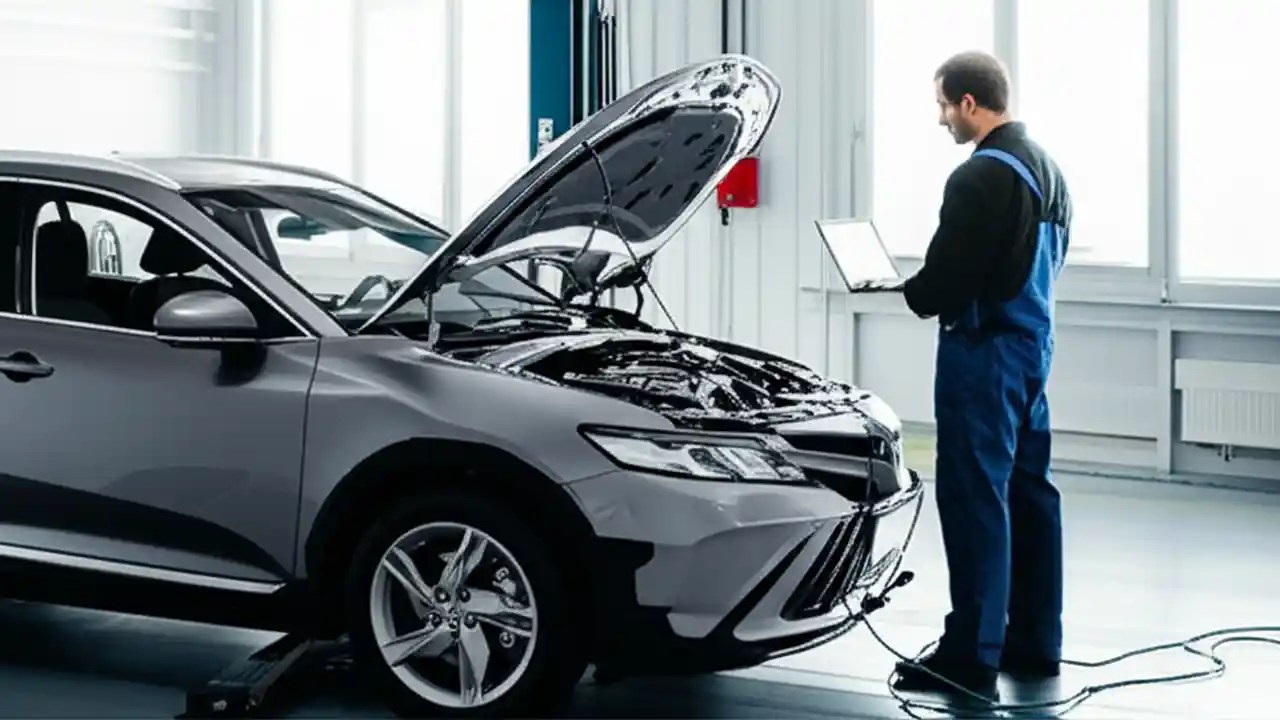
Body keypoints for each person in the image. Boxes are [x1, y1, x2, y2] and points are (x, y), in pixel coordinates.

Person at [891, 50, 1071, 701]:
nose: (941, 120)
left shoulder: (977, 179)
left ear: (970, 103)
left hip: (982, 357)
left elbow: (946, 280)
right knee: (1031, 496)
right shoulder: (1048, 171)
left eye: (943, 105)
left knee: (973, 501)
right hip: (1031, 354)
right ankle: (1035, 641)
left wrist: (905, 290)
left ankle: (969, 653)